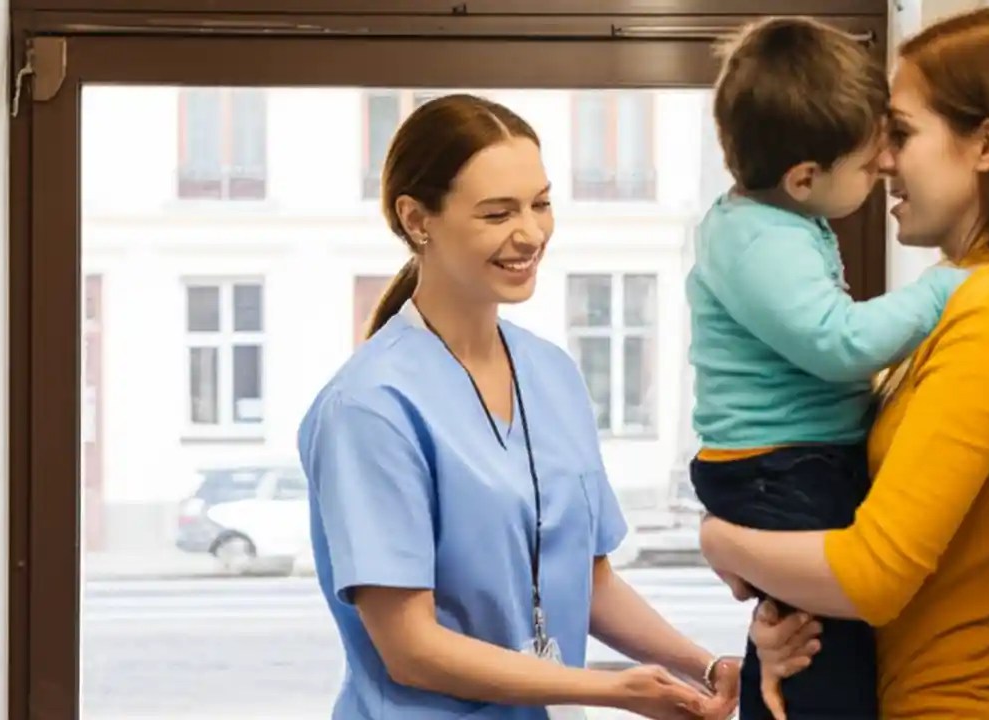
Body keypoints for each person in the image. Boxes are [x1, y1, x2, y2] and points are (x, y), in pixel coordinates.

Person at [699, 8, 989, 720]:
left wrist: (720, 538)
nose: (882, 159)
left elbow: (871, 575)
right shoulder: (968, 300)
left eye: (899, 132)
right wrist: (786, 626)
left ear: (986, 145)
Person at [297, 93, 741, 720]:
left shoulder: (551, 375)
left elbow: (588, 585)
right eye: (497, 212)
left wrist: (704, 667)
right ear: (417, 218)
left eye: (541, 203)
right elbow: (410, 649)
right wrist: (610, 690)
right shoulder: (369, 407)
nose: (530, 233)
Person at [686, 17, 968, 720]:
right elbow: (838, 341)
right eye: (869, 164)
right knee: (824, 655)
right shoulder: (759, 242)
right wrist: (943, 286)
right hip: (778, 468)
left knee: (796, 641)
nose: (885, 169)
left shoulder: (771, 222)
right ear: (805, 177)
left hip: (786, 464)